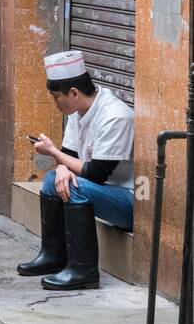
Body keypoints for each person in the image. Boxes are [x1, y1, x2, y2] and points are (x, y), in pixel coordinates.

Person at [17, 50, 134, 290]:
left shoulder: (115, 117)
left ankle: (84, 271)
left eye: (55, 97)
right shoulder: (76, 111)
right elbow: (69, 157)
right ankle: (54, 257)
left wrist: (54, 155)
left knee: (73, 185)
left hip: (129, 203)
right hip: (99, 190)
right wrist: (60, 167)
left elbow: (97, 173)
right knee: (52, 180)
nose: (54, 103)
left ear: (73, 93)